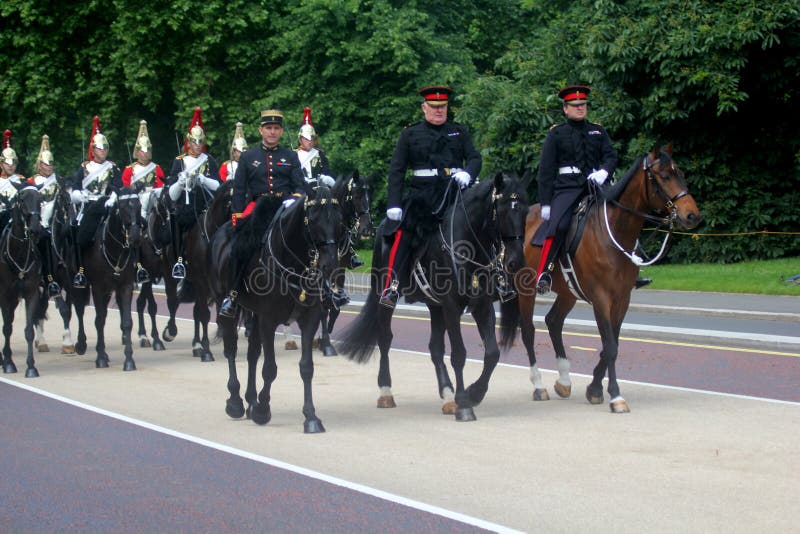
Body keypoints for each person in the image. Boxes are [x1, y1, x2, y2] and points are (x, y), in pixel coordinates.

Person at [379, 85, 482, 308]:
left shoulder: (459, 131)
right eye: (434, 107)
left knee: (484, 223)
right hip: (422, 196)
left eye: (443, 106)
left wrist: (468, 173)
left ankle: (495, 278)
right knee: (403, 232)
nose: (439, 111)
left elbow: (474, 157)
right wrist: (394, 204)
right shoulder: (410, 133)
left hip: (455, 192)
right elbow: (397, 169)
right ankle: (393, 285)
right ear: (424, 107)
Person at [531, 85, 618, 294]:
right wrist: (545, 203)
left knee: (621, 215)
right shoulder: (557, 133)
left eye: (583, 105)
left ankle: (632, 265)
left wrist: (604, 172)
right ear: (565, 109)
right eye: (575, 105)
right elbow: (546, 170)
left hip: (595, 186)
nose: (580, 108)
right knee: (558, 226)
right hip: (567, 188)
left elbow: (611, 156)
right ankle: (545, 272)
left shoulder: (597, 130)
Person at [219, 109, 304, 318]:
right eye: (268, 128)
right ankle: (233, 293)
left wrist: (295, 198)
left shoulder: (290, 155)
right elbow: (239, 189)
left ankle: (321, 290)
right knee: (240, 246)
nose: (272, 132)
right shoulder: (248, 157)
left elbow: (300, 186)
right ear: (261, 130)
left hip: (285, 207)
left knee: (311, 241)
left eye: (276, 128)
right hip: (258, 208)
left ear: (281, 131)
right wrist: (237, 215)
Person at [166, 107, 221, 279]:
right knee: (177, 220)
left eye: (200, 142)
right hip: (187, 204)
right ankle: (179, 261)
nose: (198, 145)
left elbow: (218, 186)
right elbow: (172, 194)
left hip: (206, 204)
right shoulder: (179, 161)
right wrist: (181, 182)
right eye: (195, 142)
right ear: (189, 142)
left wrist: (203, 179)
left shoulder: (209, 160)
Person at [68, 116, 123, 288]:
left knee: (130, 228)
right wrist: (79, 196)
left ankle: (135, 267)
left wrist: (114, 196)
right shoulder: (84, 167)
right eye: (100, 148)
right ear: (93, 149)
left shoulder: (113, 167)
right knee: (78, 232)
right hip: (89, 205)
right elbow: (75, 187)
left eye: (106, 148)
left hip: (108, 204)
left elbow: (118, 185)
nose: (104, 151)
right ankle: (80, 271)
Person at [121, 119, 165, 283]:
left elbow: (161, 185)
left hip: (152, 200)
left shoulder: (156, 168)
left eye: (147, 151)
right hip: (137, 203)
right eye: (142, 151)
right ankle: (136, 262)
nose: (145, 154)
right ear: (137, 152)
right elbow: (125, 190)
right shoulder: (129, 170)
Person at [27, 134, 63, 297]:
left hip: (56, 222)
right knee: (43, 243)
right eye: (45, 164)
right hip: (38, 223)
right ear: (39, 165)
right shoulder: (31, 182)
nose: (49, 167)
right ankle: (48, 279)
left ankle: (80, 272)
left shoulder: (59, 181)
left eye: (51, 164)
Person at [295, 107, 335, 192]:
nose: (309, 142)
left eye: (312, 139)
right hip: (300, 190)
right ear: (300, 139)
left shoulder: (320, 154)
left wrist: (325, 178)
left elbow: (326, 172)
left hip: (319, 189)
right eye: (306, 139)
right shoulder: (294, 155)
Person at [1, 130, 25, 228]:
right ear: (1, 164)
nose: (11, 166)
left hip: (19, 218)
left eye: (13, 163)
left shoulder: (22, 180)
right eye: (7, 163)